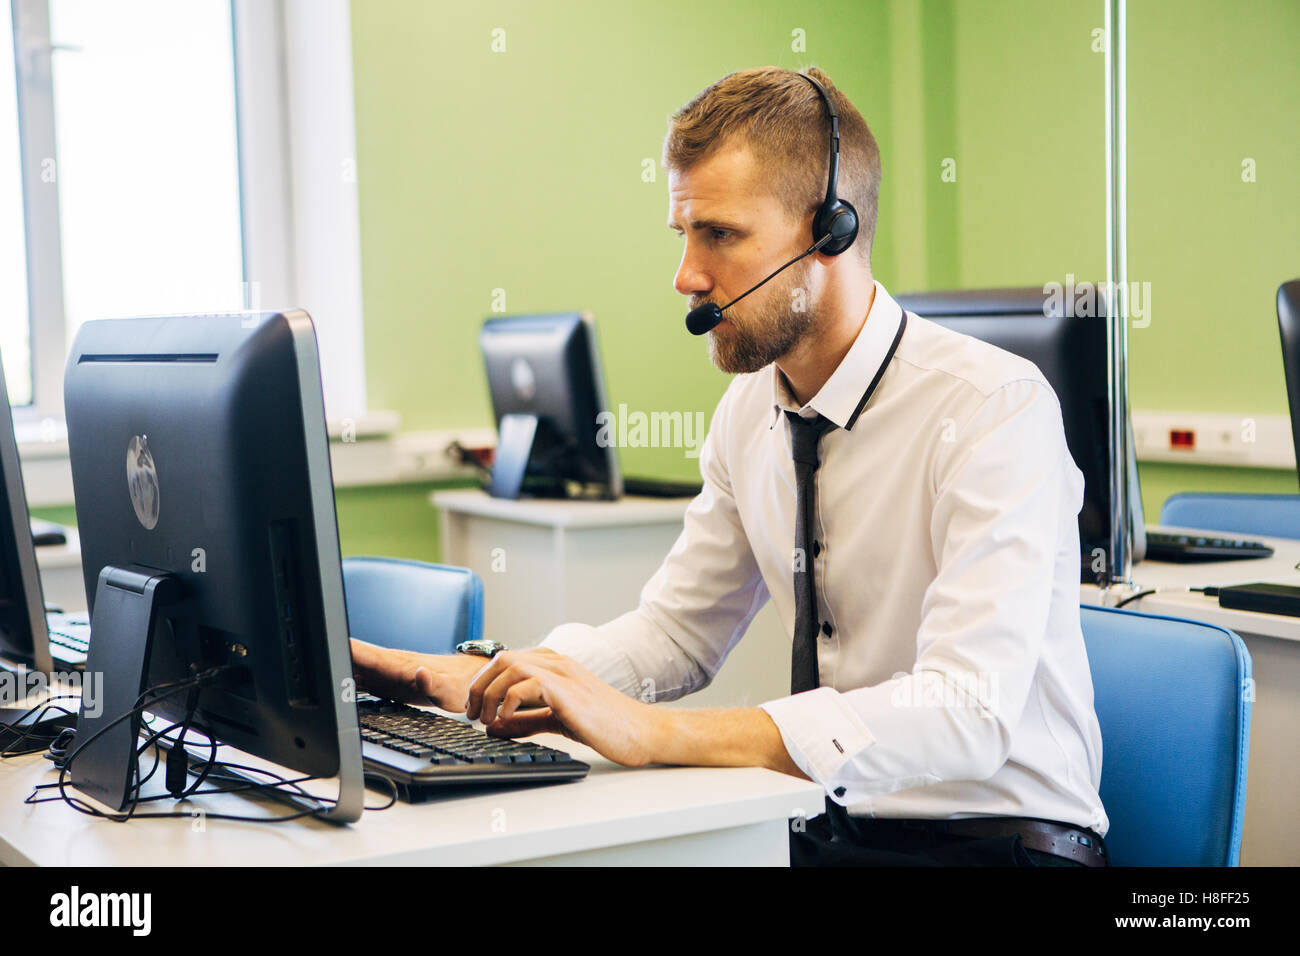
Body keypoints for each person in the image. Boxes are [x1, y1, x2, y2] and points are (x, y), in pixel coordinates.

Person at [351, 65, 1109, 867]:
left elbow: (965, 711)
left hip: (998, 846)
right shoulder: (751, 409)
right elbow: (677, 634)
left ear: (831, 234)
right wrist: (501, 680)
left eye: (718, 234)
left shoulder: (994, 409)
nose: (686, 277)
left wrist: (652, 734)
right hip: (825, 826)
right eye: (682, 235)